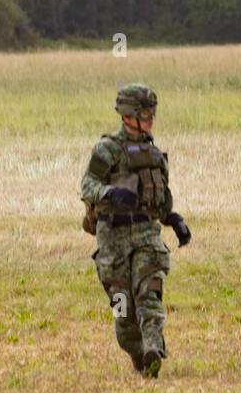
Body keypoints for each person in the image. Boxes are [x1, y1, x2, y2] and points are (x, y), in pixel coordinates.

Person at [80, 84, 191, 377]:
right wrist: (111, 193)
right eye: (145, 114)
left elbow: (161, 198)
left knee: (150, 292)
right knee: (123, 310)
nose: (151, 119)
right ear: (128, 115)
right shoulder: (107, 149)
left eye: (153, 113)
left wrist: (175, 220)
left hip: (146, 235)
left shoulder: (153, 153)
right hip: (113, 238)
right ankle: (138, 353)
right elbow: (87, 186)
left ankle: (154, 347)